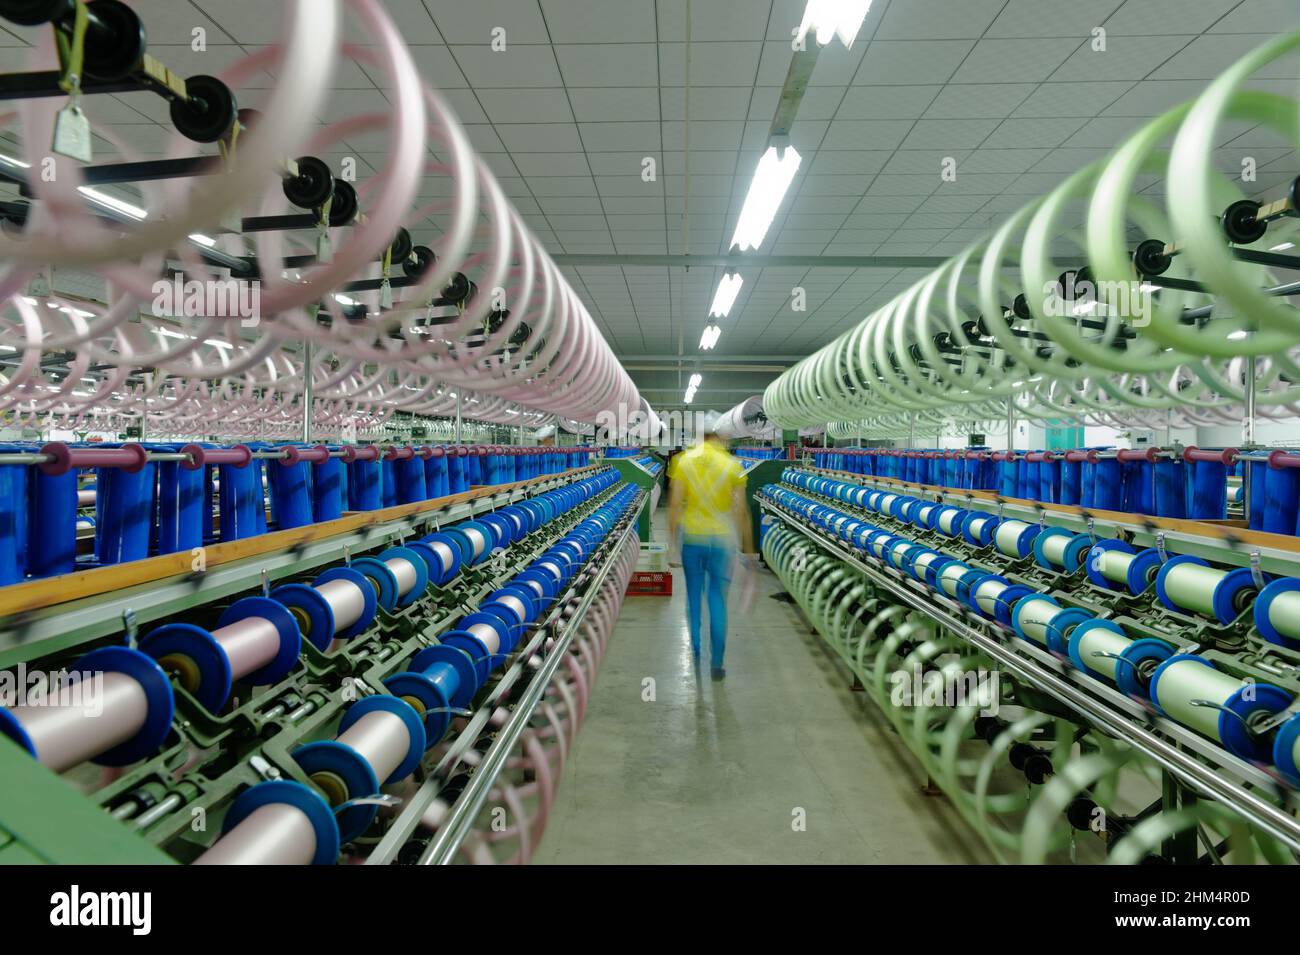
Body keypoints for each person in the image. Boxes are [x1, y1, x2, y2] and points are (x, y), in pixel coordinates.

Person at [666, 426, 757, 680]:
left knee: (693, 596)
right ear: (718, 438)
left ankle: (695, 649)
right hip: (721, 541)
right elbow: (741, 511)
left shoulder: (684, 462)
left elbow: (674, 506)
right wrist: (748, 550)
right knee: (717, 600)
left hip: (693, 538)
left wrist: (672, 545)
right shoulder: (732, 465)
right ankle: (717, 663)